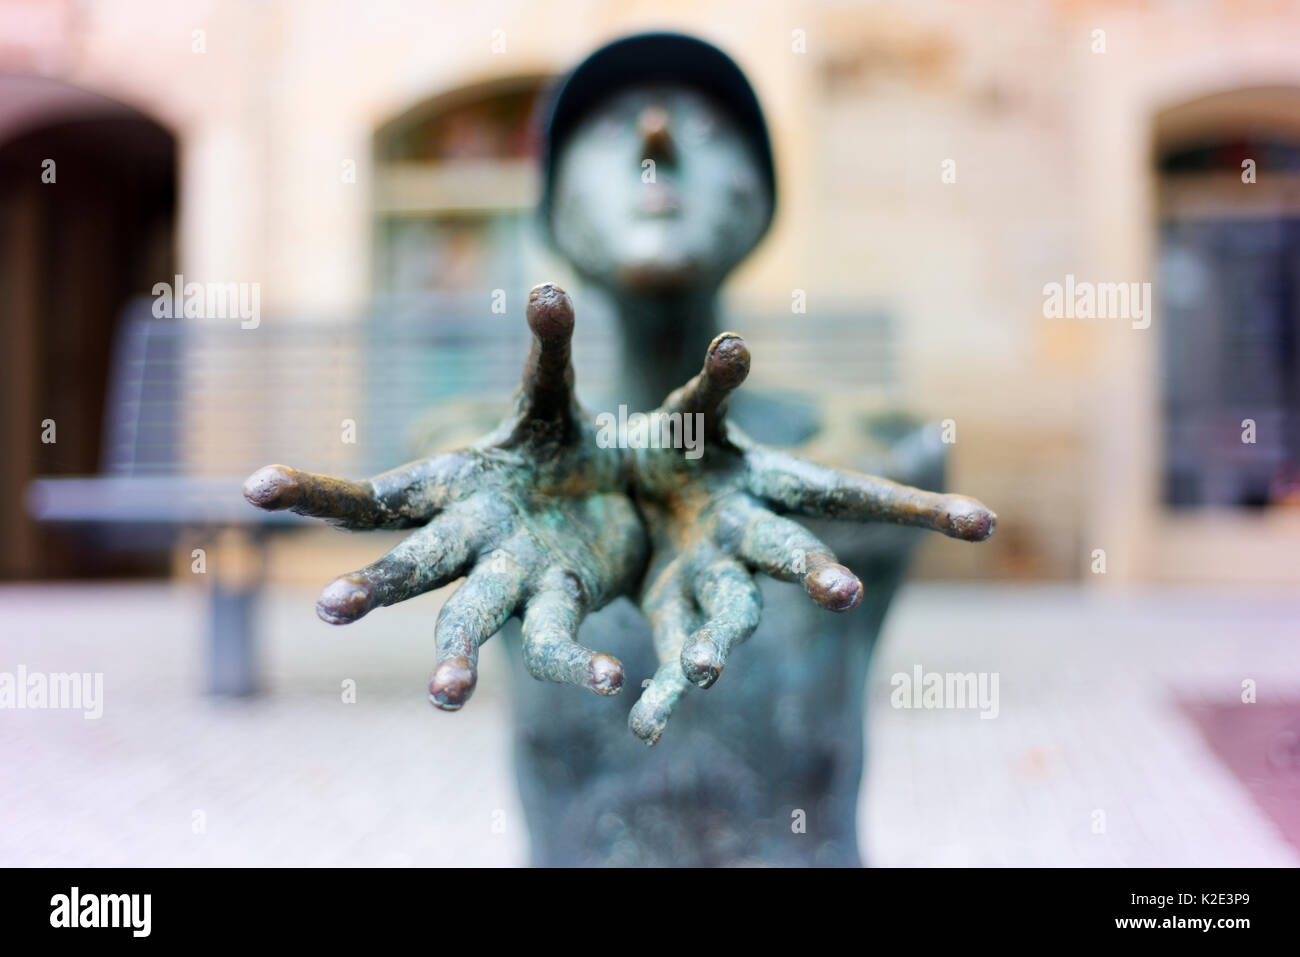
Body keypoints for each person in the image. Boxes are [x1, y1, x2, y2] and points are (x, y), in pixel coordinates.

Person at [244, 33, 994, 865]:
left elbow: (894, 461)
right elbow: (452, 446)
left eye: (707, 131)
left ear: (763, 202)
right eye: (606, 136)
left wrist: (690, 481)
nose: (655, 143)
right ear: (553, 218)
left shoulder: (869, 450)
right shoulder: (498, 466)